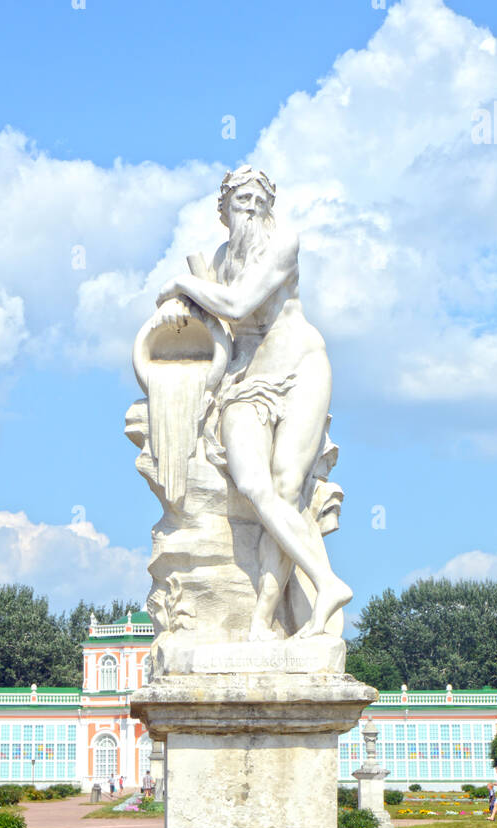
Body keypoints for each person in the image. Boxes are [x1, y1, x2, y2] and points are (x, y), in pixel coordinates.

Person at [155, 165, 352, 639]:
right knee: (253, 485)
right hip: (247, 381)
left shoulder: (284, 242)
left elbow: (239, 304)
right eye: (239, 200)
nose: (249, 208)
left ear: (270, 207)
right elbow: (222, 328)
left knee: (286, 488)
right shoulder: (220, 260)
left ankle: (263, 622)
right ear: (223, 210)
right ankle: (327, 583)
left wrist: (184, 286)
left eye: (257, 200)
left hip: (301, 366)